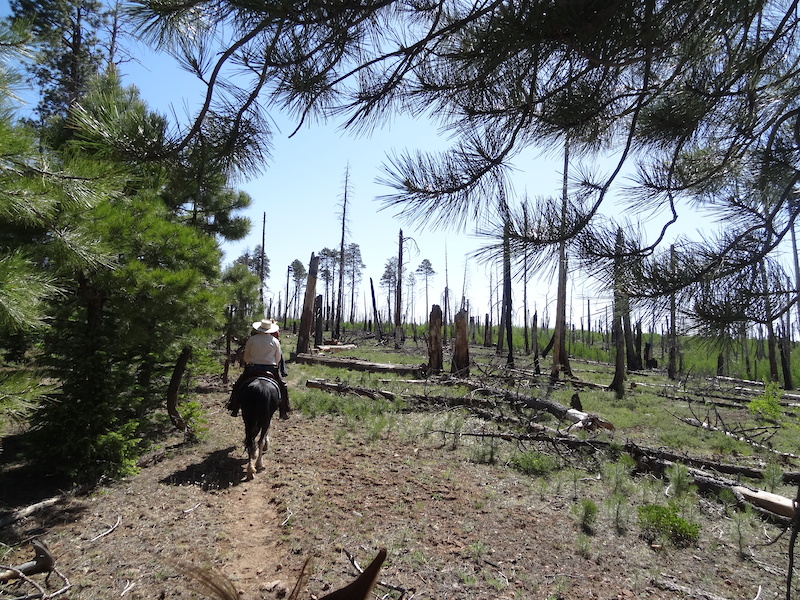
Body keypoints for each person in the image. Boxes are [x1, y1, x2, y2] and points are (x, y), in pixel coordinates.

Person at [227, 319, 290, 418]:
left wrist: (250, 362)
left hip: (253, 367)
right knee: (283, 386)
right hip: (270, 369)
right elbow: (278, 358)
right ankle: (284, 410)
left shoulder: (252, 339)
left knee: (238, 384)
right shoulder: (275, 341)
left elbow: (246, 357)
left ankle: (234, 406)